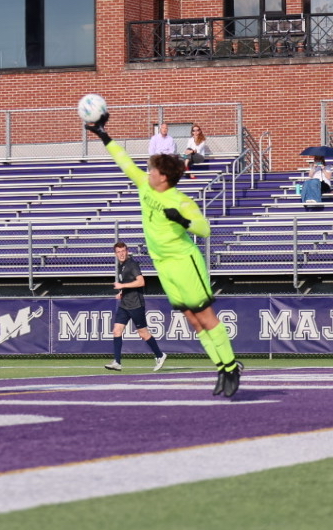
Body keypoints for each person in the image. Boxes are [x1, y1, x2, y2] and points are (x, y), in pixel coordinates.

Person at [85, 107, 242, 396]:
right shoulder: (146, 186)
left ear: (164, 177)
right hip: (165, 266)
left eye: (153, 170)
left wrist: (182, 221)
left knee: (205, 316)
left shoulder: (179, 200)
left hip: (184, 262)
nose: (148, 172)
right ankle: (221, 366)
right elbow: (124, 161)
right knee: (194, 322)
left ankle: (231, 366)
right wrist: (103, 135)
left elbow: (205, 229)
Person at [105, 240, 166, 371]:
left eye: (123, 251)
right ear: (115, 254)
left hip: (135, 305)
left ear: (127, 252)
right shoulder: (121, 266)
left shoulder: (132, 264)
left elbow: (141, 282)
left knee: (143, 333)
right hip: (125, 304)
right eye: (118, 252)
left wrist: (122, 286)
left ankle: (160, 355)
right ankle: (117, 362)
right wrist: (122, 292)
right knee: (116, 331)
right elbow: (129, 282)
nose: (121, 254)